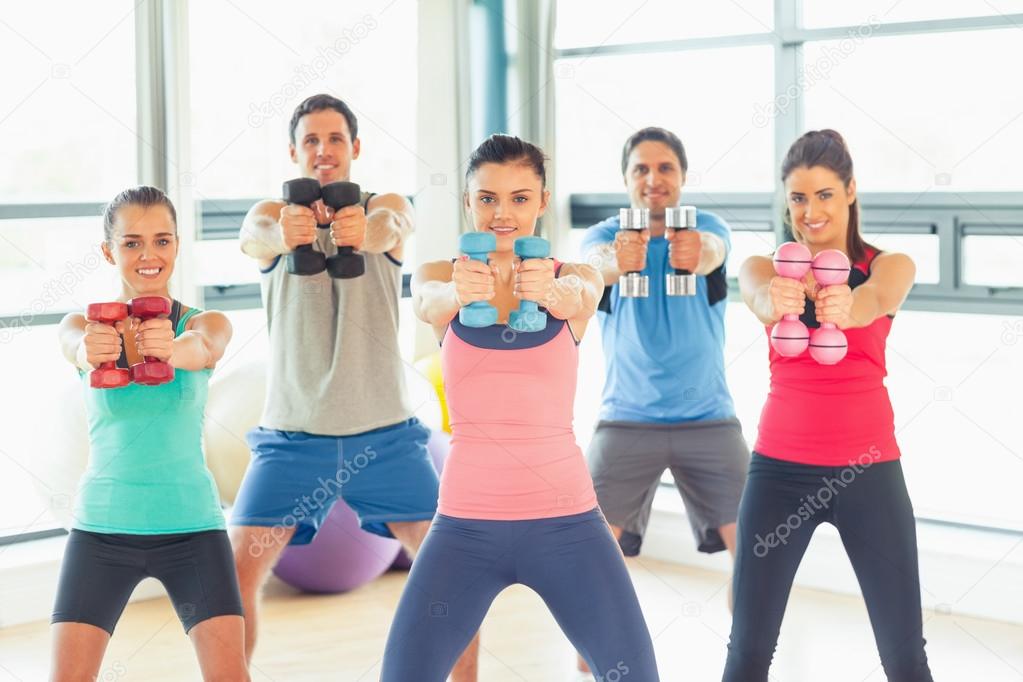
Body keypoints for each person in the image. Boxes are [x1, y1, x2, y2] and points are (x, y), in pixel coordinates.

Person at [380, 134, 660, 682]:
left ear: (542, 201)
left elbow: (589, 287)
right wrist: (460, 295)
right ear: (467, 203)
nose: (502, 213)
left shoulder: (569, 278)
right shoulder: (442, 275)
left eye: (519, 198)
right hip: (464, 528)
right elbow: (428, 303)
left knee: (636, 675)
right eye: (487, 198)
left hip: (569, 526)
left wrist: (562, 296)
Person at [233, 93, 478, 679]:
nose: (323, 151)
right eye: (311, 141)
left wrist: (369, 231)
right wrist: (280, 230)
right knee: (234, 577)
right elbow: (254, 233)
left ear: (355, 148)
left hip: (384, 436)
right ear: (293, 151)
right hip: (292, 439)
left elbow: (398, 220)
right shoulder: (273, 213)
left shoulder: (382, 208)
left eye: (335, 139)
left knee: (450, 569)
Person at [723, 129, 933, 681]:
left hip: (870, 473)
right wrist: (774, 299)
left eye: (823, 195)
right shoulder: (764, 268)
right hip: (778, 473)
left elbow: (876, 300)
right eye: (797, 198)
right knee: (746, 651)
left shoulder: (890, 265)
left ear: (850, 192)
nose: (810, 211)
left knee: (905, 656)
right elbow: (756, 295)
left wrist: (848, 305)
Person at [53, 186, 246, 681]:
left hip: (193, 529)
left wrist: (171, 349)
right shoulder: (84, 326)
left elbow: (205, 347)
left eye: (161, 240)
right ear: (108, 251)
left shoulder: (205, 322)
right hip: (100, 530)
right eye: (132, 242)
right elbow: (73, 345)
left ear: (177, 245)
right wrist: (88, 350)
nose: (148, 255)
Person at [580, 127, 747, 561]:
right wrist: (616, 261)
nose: (653, 179)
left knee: (759, 553)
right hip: (626, 420)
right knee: (588, 553)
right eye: (641, 169)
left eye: (665, 168)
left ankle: (751, 632)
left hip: (709, 418)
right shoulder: (604, 236)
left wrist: (698, 254)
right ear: (626, 180)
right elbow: (594, 265)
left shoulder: (704, 228)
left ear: (684, 176)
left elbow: (713, 249)